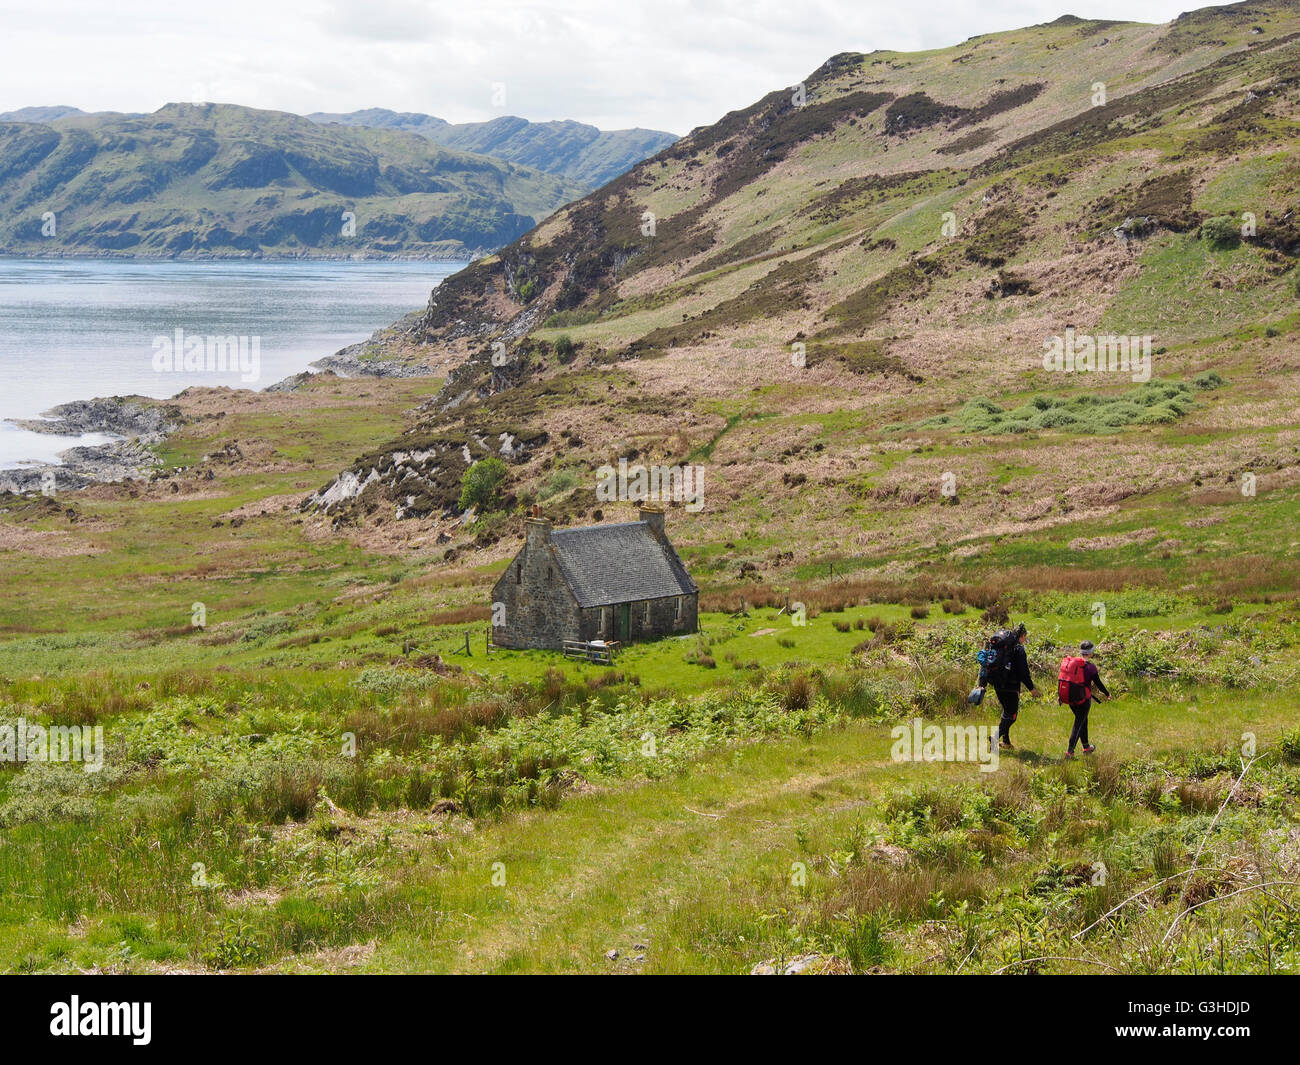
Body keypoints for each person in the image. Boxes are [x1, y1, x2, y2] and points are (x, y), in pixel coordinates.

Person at [991, 623, 1037, 749]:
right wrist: (1031, 688)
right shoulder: (1019, 649)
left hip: (998, 684)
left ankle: (1006, 742)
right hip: (1011, 687)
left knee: (1007, 712)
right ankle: (994, 738)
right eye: (1025, 637)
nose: (1025, 640)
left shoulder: (1003, 647)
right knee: (1012, 716)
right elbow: (1024, 673)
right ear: (1022, 636)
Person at [1064, 639, 1111, 757]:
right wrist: (1107, 694)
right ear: (1090, 652)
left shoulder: (1072, 664)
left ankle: (1086, 747)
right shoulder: (1091, 668)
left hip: (1071, 698)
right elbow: (1098, 684)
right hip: (1084, 699)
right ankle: (1070, 751)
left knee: (1083, 721)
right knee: (1079, 723)